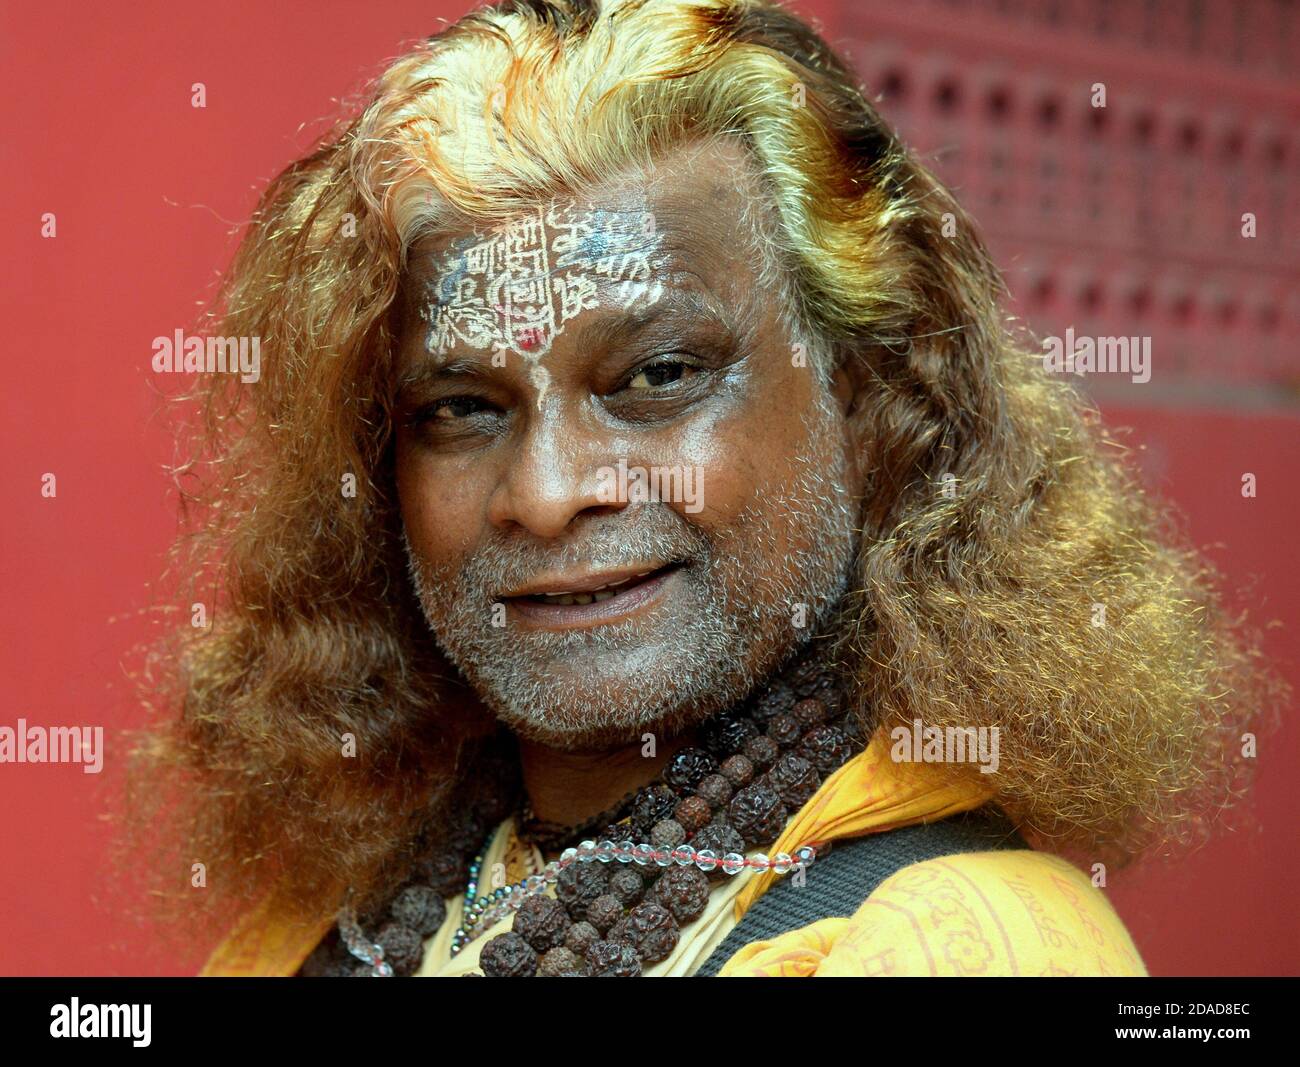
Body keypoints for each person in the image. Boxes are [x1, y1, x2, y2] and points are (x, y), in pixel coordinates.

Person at [127, 0, 1280, 977]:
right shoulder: (339, 913)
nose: (544, 492)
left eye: (659, 376)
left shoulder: (957, 939)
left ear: (871, 401)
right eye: (462, 409)